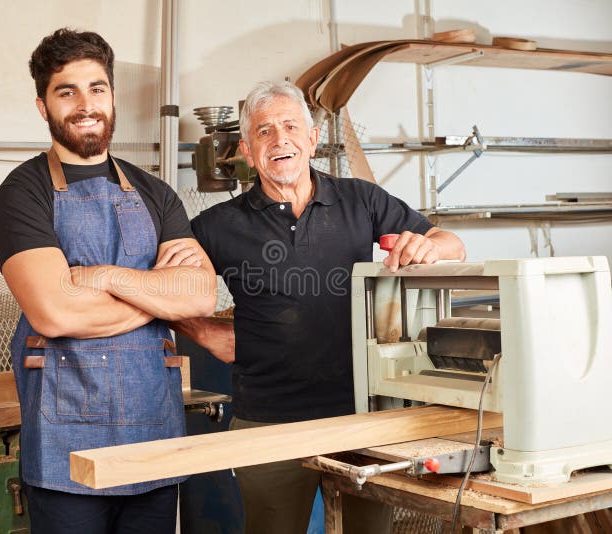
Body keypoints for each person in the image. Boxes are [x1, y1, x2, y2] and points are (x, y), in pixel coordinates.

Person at [172, 81, 465, 534]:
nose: (280, 139)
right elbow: (159, 286)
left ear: (311, 140)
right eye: (264, 131)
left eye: (291, 126)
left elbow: (453, 244)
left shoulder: (362, 200)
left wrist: (428, 248)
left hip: (363, 416)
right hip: (267, 419)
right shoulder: (217, 226)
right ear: (248, 151)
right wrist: (204, 330)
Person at [0, 28, 216, 534]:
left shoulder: (156, 194)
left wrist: (106, 278)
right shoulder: (22, 193)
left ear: (112, 97)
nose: (85, 104)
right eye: (65, 91)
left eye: (97, 88)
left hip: (154, 436)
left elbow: (200, 295)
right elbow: (56, 313)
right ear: (42, 105)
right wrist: (158, 295)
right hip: (65, 441)